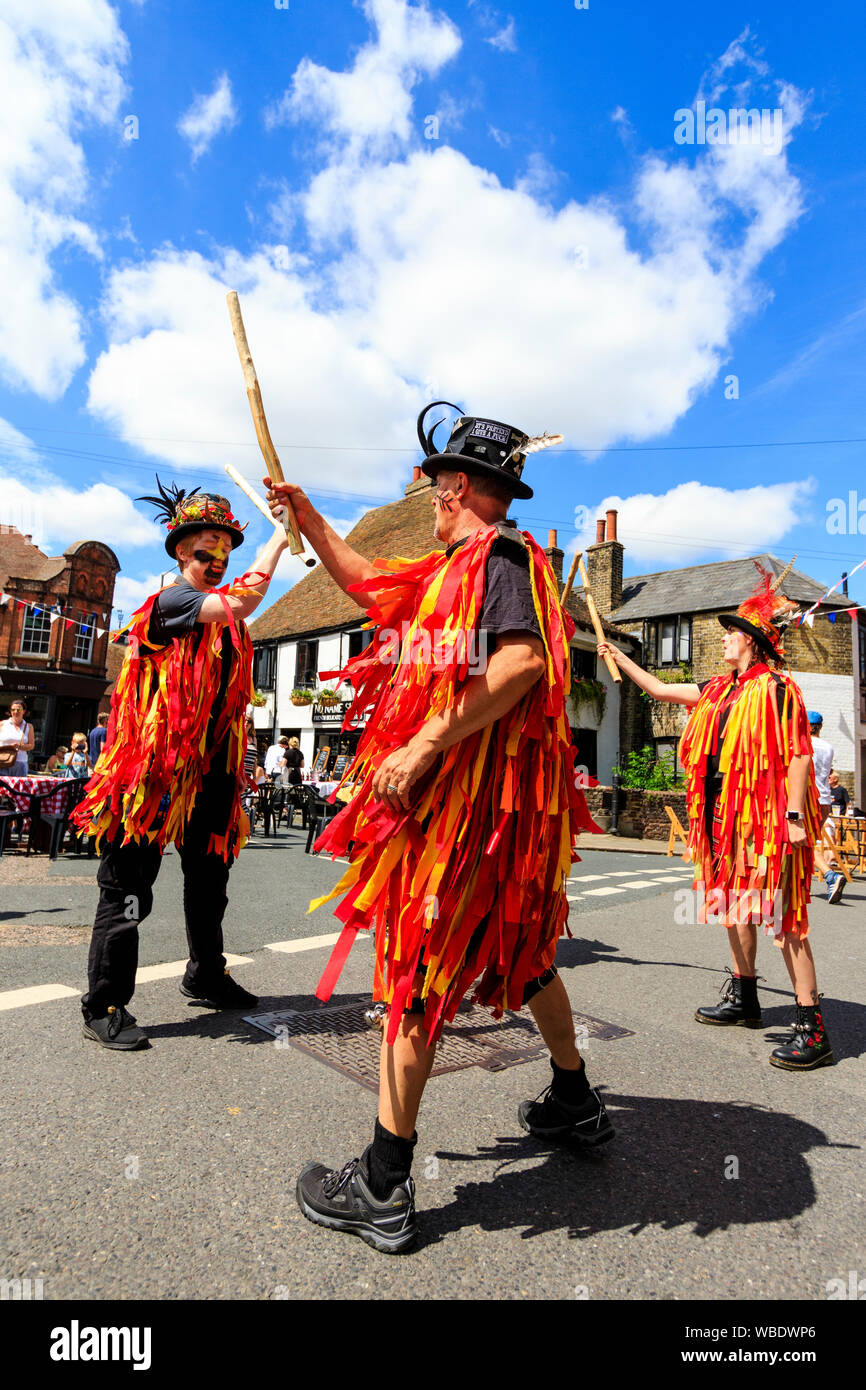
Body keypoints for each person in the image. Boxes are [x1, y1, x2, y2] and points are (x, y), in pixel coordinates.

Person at [267, 402, 606, 1255]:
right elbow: (369, 582)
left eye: (433, 487)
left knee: (417, 971)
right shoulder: (454, 569)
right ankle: (574, 1098)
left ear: (457, 486)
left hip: (465, 821)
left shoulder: (496, 559)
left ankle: (383, 1184)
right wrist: (307, 519)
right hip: (492, 827)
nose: (426, 500)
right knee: (524, 954)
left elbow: (521, 663)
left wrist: (421, 743)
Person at [72, 481, 288, 1050]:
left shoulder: (232, 632)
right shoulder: (172, 603)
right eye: (204, 553)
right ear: (179, 553)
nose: (216, 563)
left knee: (210, 880)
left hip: (210, 773)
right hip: (153, 774)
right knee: (128, 889)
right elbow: (238, 601)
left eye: (224, 554)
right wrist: (280, 540)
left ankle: (206, 973)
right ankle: (105, 1002)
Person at [598, 560, 833, 1073]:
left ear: (752, 641)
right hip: (723, 822)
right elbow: (659, 692)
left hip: (769, 822)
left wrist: (795, 815)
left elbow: (797, 754)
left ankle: (811, 1026)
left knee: (784, 917)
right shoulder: (717, 690)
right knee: (734, 906)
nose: (724, 639)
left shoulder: (777, 690)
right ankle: (746, 996)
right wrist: (618, 656)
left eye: (731, 634)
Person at [808, 712, 844, 904]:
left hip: (807, 797)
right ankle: (804, 885)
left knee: (803, 843)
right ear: (820, 727)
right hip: (824, 800)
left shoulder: (803, 744)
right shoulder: (828, 747)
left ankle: (831, 876)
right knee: (809, 841)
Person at [0, 700, 35, 774]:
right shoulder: (2, 724)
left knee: (19, 785)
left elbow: (31, 746)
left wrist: (19, 746)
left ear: (24, 711)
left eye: (18, 709)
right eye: (13, 709)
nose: (16, 712)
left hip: (20, 763)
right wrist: (8, 747)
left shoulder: (28, 726)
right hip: (2, 761)